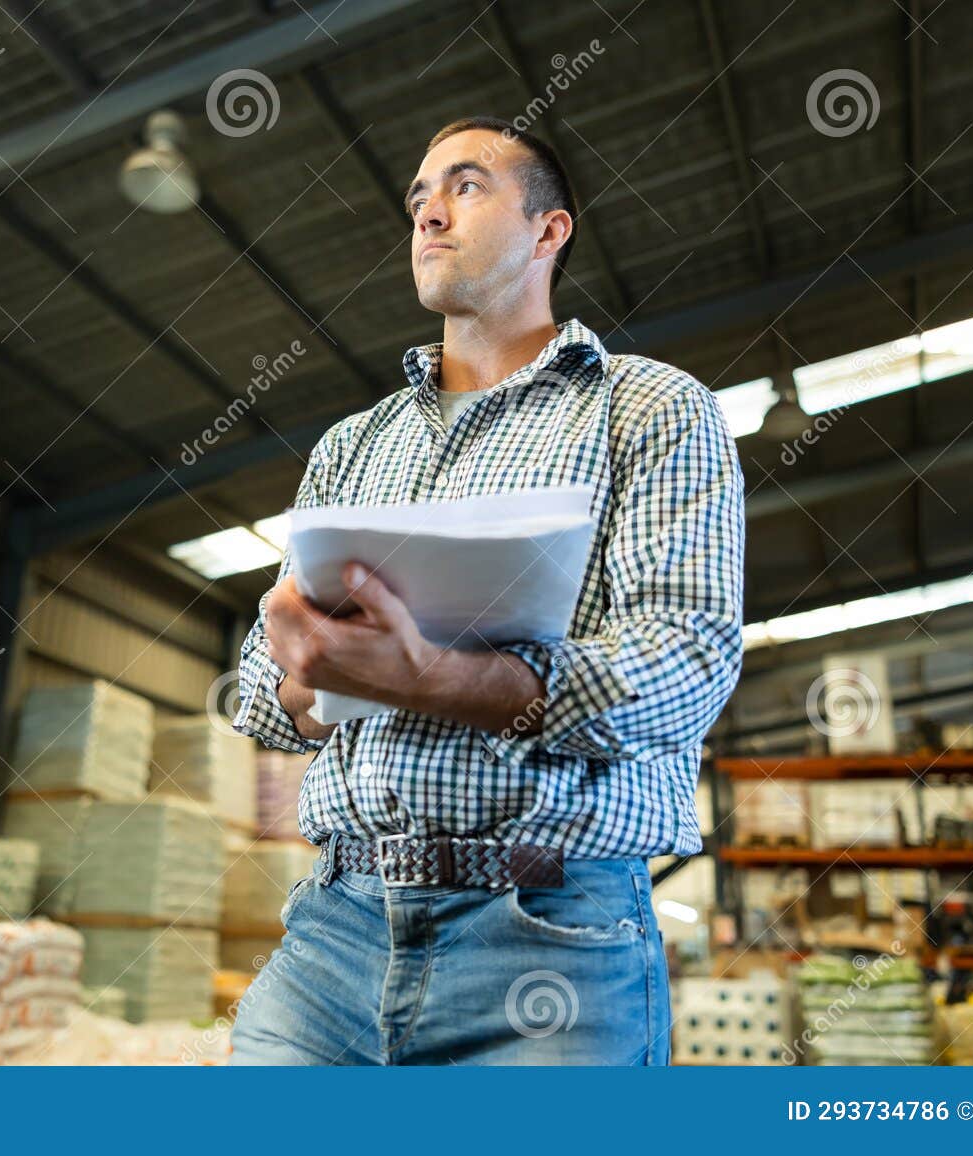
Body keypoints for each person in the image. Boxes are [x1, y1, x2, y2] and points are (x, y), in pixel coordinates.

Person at [229, 116, 744, 1065]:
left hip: (550, 936)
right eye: (418, 199)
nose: (429, 214)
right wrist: (312, 670)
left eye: (465, 187)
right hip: (335, 932)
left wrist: (426, 677)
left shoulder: (650, 408)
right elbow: (262, 696)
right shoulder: (352, 446)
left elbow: (685, 665)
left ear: (550, 230)